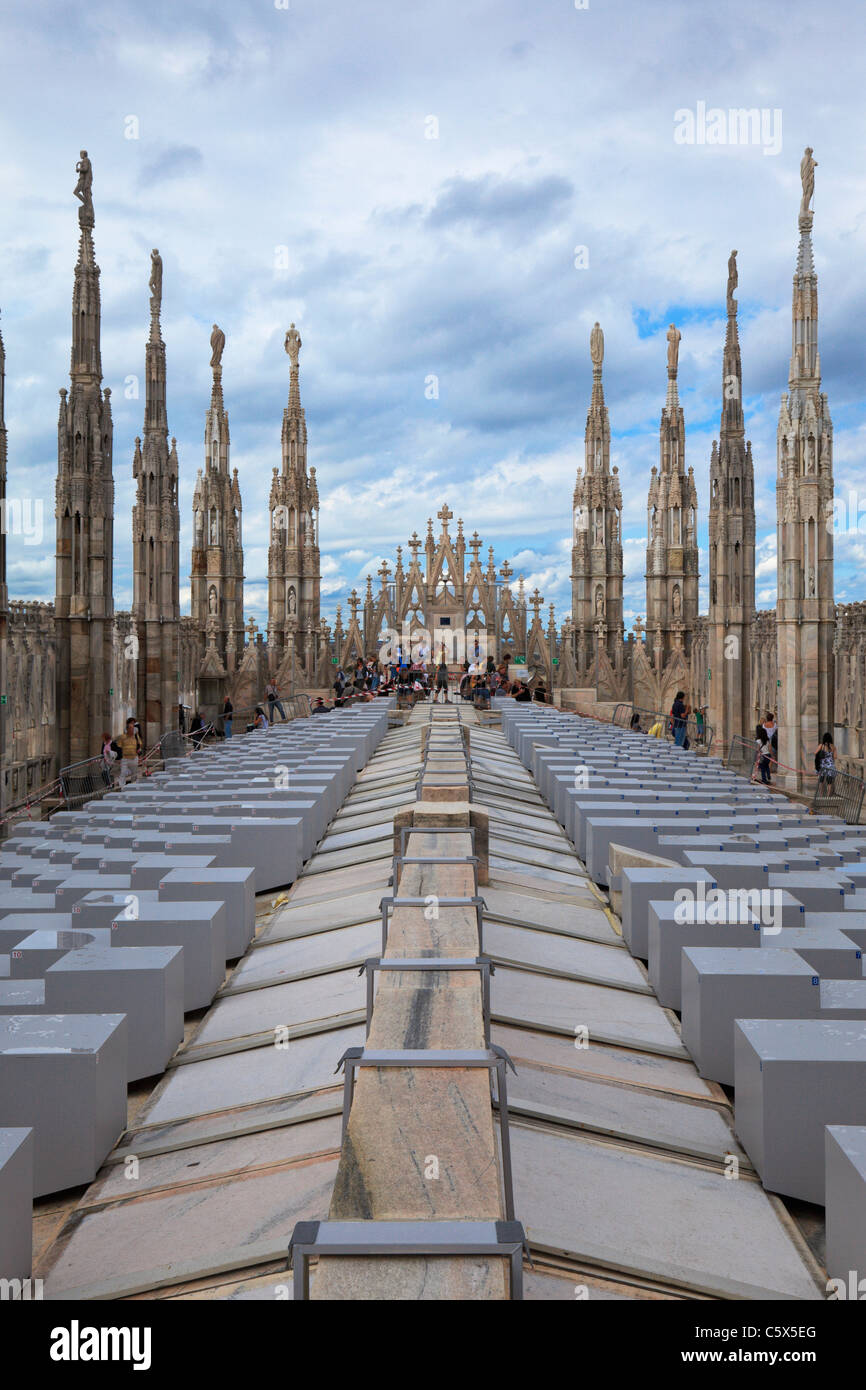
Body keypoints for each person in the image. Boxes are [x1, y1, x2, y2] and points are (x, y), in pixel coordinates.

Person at [117, 718, 142, 788]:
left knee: (134, 773)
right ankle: (122, 787)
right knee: (123, 772)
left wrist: (139, 752)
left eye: (133, 724)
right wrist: (119, 757)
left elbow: (138, 744)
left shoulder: (136, 735)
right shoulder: (123, 736)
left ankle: (134, 786)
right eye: (131, 725)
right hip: (125, 757)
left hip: (134, 757)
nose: (132, 727)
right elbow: (119, 747)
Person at [756, 712, 778, 784]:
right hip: (773, 743)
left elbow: (758, 748)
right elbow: (770, 748)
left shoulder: (763, 726)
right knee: (768, 764)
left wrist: (758, 754)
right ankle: (769, 775)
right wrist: (771, 755)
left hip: (763, 753)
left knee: (762, 768)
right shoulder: (775, 725)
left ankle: (764, 779)